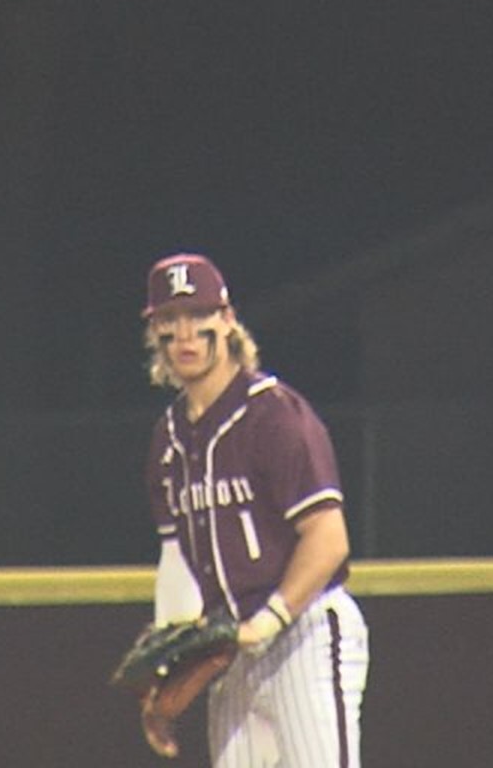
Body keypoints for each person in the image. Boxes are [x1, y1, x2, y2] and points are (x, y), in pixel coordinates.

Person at [137, 253, 369, 766]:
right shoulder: (168, 441)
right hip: (233, 650)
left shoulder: (273, 414)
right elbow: (176, 561)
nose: (186, 335)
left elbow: (329, 539)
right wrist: (172, 665)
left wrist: (269, 620)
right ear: (155, 333)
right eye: (170, 322)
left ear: (226, 320)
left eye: (198, 317)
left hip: (303, 632)